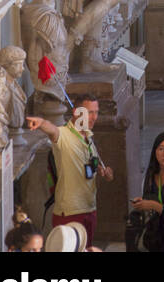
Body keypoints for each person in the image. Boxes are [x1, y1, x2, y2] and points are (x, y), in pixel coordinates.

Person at [25, 96, 113, 248]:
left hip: (90, 208)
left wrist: (105, 172)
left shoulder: (89, 137)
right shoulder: (64, 135)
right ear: (76, 112)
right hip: (70, 212)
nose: (94, 117)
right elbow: (52, 130)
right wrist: (41, 123)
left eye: (96, 112)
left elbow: (93, 167)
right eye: (89, 112)